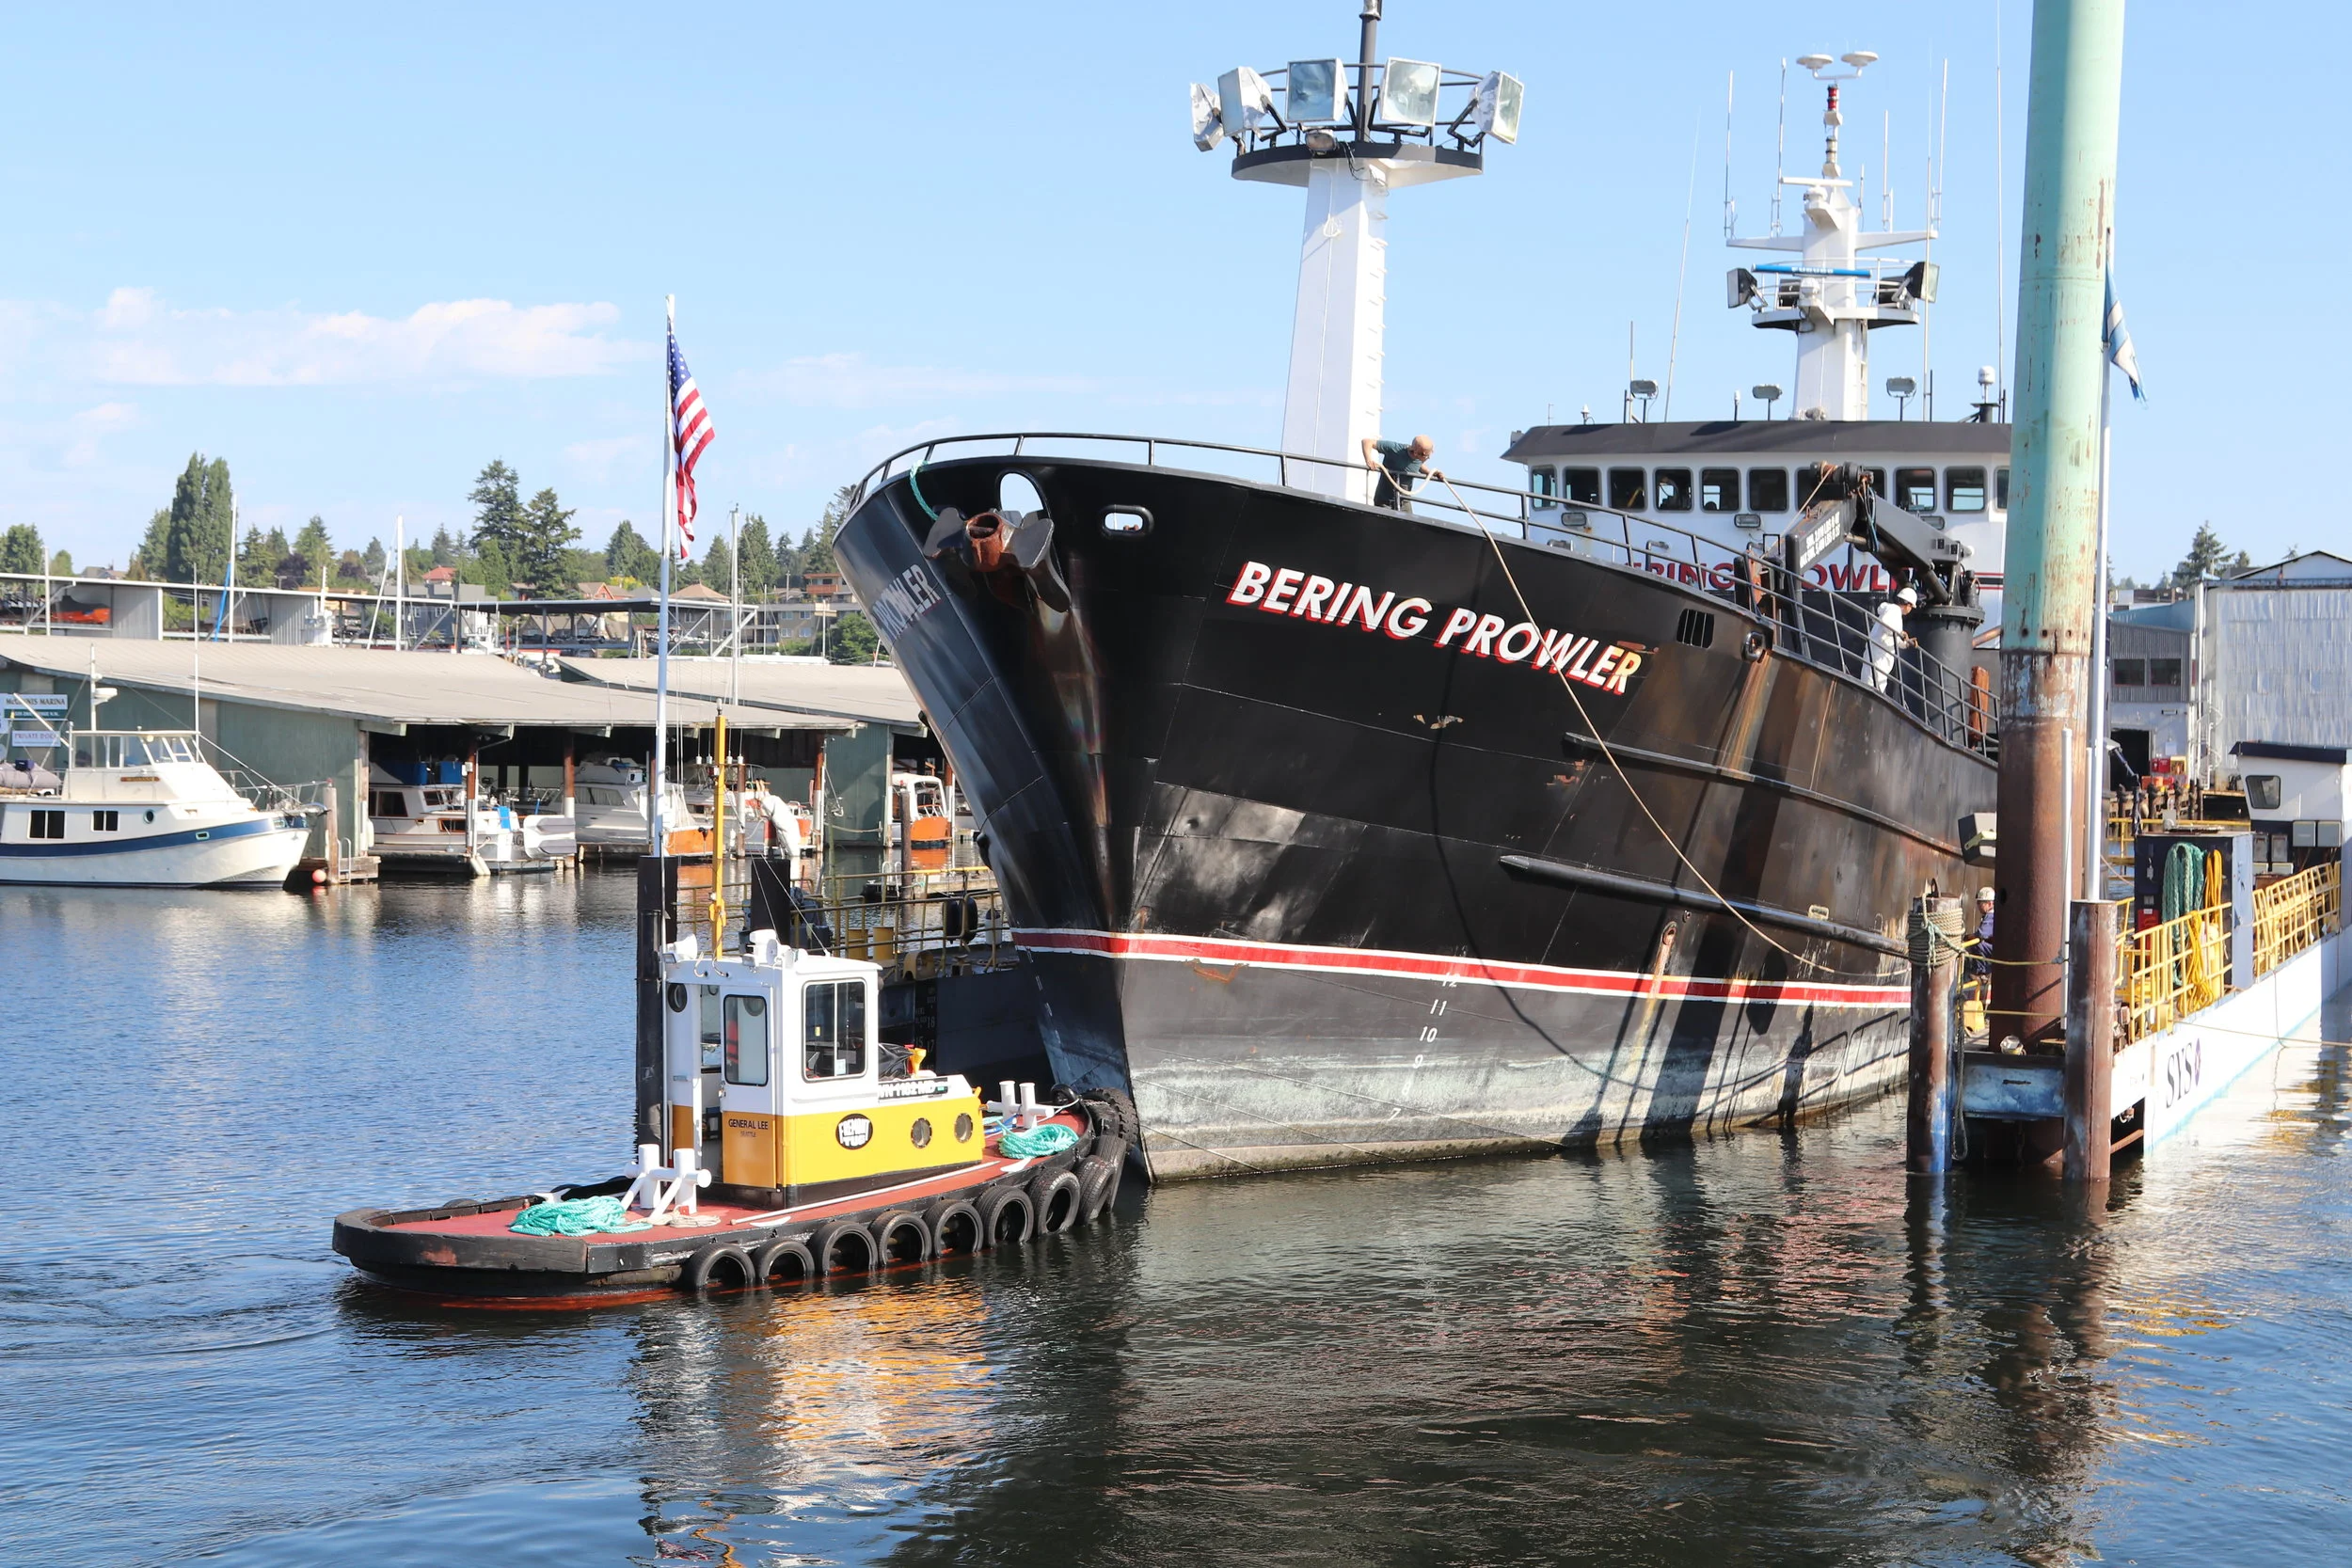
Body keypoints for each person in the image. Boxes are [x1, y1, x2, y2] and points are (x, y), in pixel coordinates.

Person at [1361, 434, 1443, 512]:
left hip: (1404, 503)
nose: (1429, 458)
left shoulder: (1418, 459)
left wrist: (1432, 473)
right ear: (1416, 453)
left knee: (1409, 525)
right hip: (1384, 501)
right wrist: (1368, 460)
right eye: (1427, 456)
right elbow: (1367, 442)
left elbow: (1418, 466)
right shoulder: (1395, 449)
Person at [1868, 583, 1916, 692]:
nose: (1910, 610)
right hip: (1878, 656)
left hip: (1881, 657)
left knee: (1876, 687)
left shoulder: (1894, 613)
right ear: (1907, 604)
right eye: (1911, 607)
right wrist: (1899, 633)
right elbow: (1886, 625)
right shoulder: (1894, 610)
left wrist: (1907, 643)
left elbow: (1895, 639)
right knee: (1872, 687)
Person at [1970, 886, 1996, 988]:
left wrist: (1968, 937)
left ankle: (1982, 974)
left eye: (1980, 903)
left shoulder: (1991, 916)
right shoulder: (1989, 916)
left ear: (1989, 904)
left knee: (1977, 944)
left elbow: (1982, 934)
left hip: (1997, 951)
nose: (1978, 906)